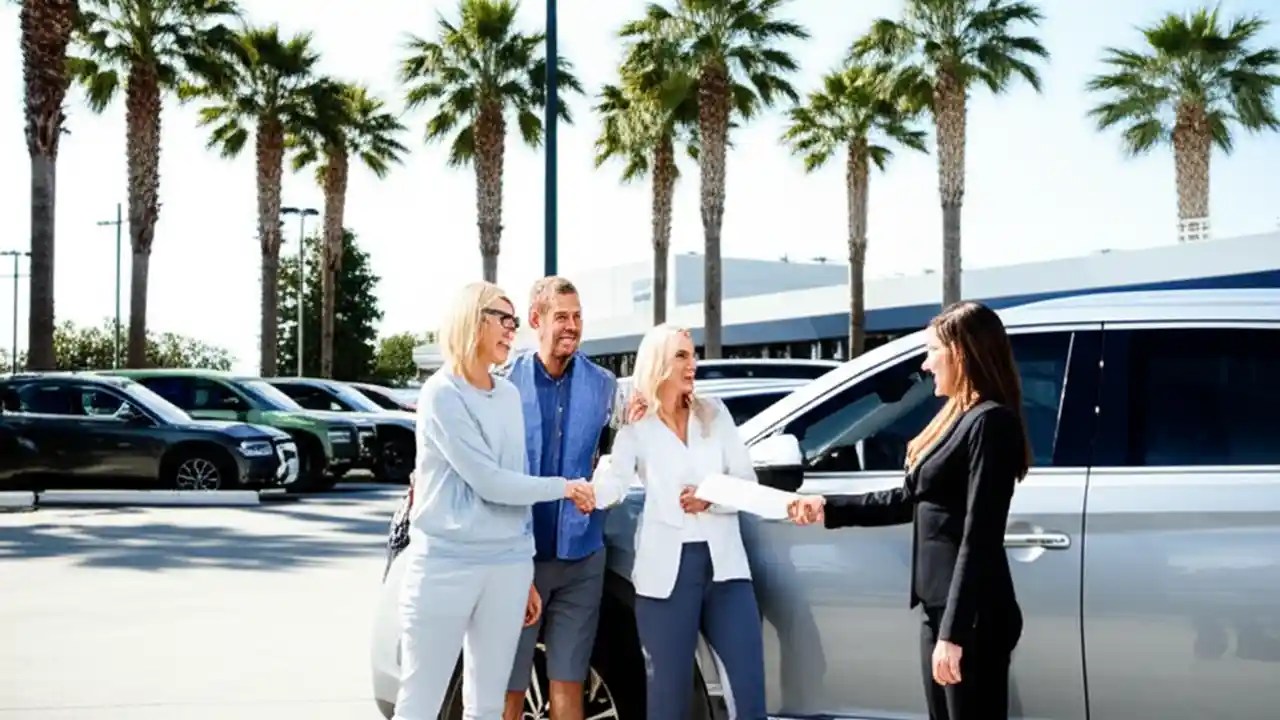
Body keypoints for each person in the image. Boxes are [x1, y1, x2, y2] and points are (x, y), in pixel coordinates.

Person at [788, 300, 1031, 720]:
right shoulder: (958, 417)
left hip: (972, 618)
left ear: (961, 353)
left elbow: (980, 535)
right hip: (941, 610)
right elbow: (911, 498)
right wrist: (828, 507)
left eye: (933, 350)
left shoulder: (990, 423)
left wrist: (954, 633)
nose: (926, 363)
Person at [393, 281, 596, 720]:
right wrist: (565, 487)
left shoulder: (508, 395)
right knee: (419, 704)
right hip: (445, 565)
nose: (511, 329)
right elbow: (490, 481)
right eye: (503, 319)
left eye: (513, 321)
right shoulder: (442, 393)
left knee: (487, 706)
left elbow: (516, 480)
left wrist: (524, 571)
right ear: (473, 319)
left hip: (507, 567)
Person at [593, 323, 768, 720]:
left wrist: (710, 498)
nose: (693, 364)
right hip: (665, 578)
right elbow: (609, 490)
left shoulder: (715, 414)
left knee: (748, 696)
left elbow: (746, 482)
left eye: (693, 355)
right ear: (658, 363)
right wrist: (615, 435)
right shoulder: (637, 425)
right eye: (682, 356)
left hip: (726, 571)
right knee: (668, 702)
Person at [501, 277, 619, 720]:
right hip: (519, 560)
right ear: (536, 319)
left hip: (582, 559)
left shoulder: (605, 387)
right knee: (508, 688)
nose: (572, 326)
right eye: (561, 317)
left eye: (577, 316)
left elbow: (618, 460)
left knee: (569, 683)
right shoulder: (504, 385)